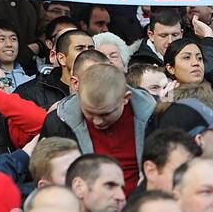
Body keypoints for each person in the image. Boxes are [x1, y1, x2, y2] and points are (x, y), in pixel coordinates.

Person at [41, 61, 157, 194]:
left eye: (105, 114)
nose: (97, 121)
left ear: (126, 98)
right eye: (89, 112)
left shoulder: (154, 117)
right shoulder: (59, 123)